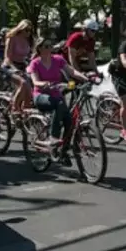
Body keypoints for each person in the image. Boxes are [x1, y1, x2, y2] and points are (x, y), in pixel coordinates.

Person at [28, 37, 90, 165]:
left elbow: (71, 71)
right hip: (41, 96)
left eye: (50, 46)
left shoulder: (58, 60)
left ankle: (63, 152)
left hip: (57, 96)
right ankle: (53, 137)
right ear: (39, 49)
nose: (49, 48)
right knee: (59, 103)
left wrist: (85, 78)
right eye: (46, 46)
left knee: (70, 122)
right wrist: (45, 84)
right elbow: (35, 81)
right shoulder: (35, 63)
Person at [4, 20, 35, 112]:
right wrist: (14, 69)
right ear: (21, 29)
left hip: (22, 66)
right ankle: (15, 108)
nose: (28, 32)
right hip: (10, 66)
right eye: (26, 30)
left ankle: (25, 111)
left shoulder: (28, 40)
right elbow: (7, 58)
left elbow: (30, 56)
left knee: (30, 90)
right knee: (23, 83)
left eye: (30, 30)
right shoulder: (12, 38)